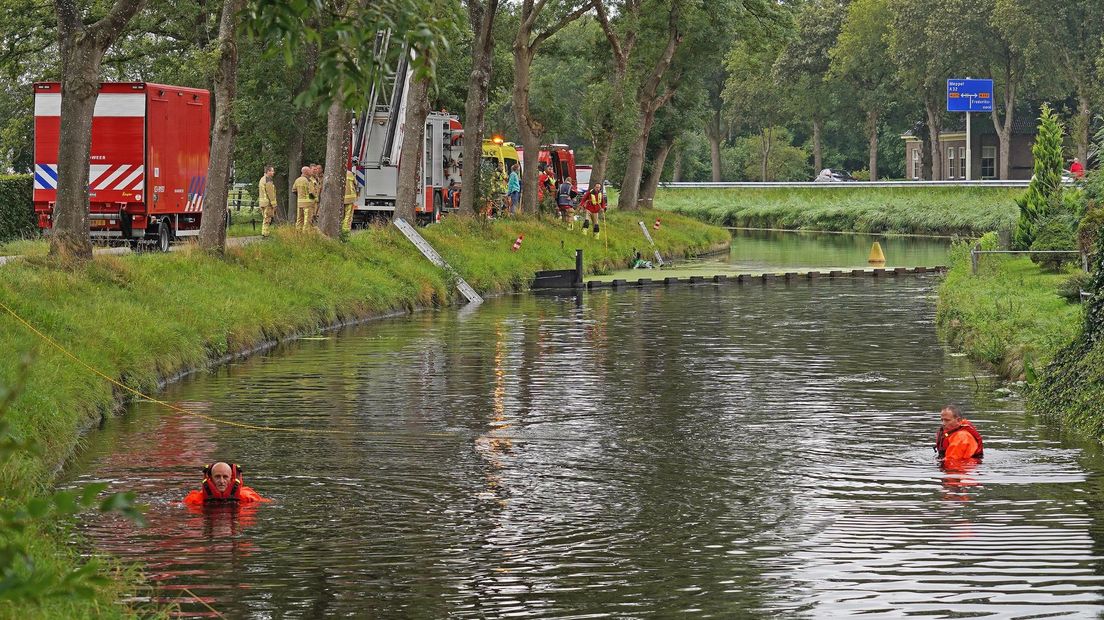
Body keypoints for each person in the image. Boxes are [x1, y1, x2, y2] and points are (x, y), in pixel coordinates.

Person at [183, 462, 268, 505]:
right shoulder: (194, 500)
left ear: (231, 479)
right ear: (211, 479)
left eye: (225, 477)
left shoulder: (249, 497)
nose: (221, 481)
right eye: (217, 477)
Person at [257, 166, 278, 237]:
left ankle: (264, 233)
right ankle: (266, 234)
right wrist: (274, 204)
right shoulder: (268, 180)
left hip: (262, 202)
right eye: (272, 171)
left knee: (265, 218)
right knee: (268, 219)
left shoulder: (262, 179)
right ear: (268, 171)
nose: (273, 172)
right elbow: (270, 193)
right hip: (267, 203)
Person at [292, 166, 313, 230]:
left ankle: (298, 233)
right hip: (307, 204)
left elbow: (293, 190)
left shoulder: (297, 180)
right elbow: (311, 193)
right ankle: (305, 234)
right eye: (309, 171)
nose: (311, 172)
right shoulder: (308, 180)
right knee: (307, 220)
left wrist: (300, 196)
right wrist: (313, 201)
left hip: (299, 204)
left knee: (299, 219)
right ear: (306, 172)